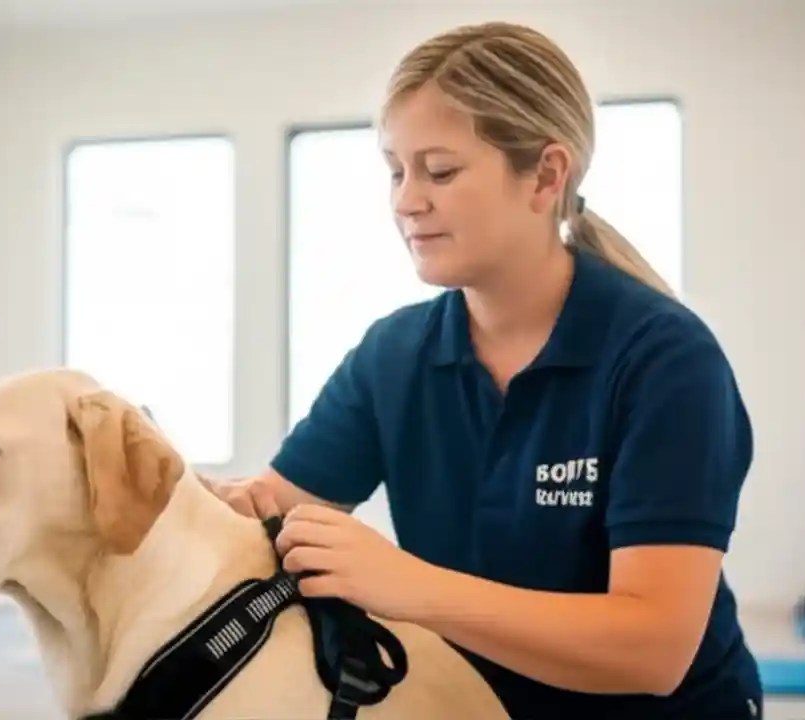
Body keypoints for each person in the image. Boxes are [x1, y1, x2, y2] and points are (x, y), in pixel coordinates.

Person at [204, 20, 763, 719]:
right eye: (395, 170)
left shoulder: (665, 360)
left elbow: (652, 648)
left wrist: (406, 585)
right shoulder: (393, 357)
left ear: (547, 176)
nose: (408, 200)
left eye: (440, 171)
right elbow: (273, 511)